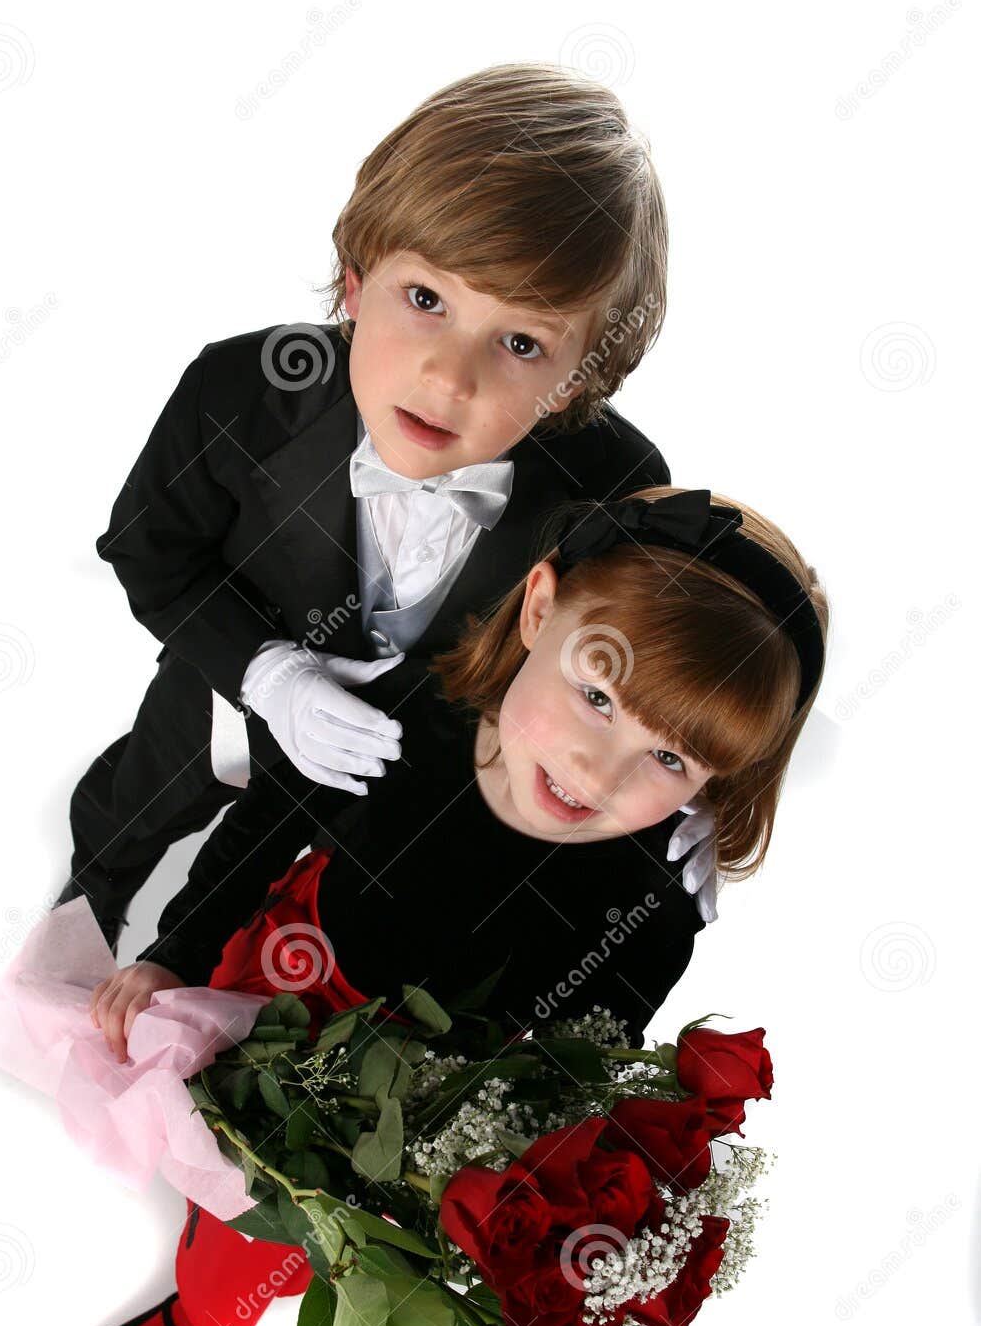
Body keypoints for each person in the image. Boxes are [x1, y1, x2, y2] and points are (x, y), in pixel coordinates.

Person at [69, 485, 829, 1326]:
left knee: (258, 1238)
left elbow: (572, 1068)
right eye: (596, 696)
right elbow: (272, 820)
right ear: (540, 608)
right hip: (279, 967)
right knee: (190, 1105)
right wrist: (179, 951)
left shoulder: (651, 909)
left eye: (669, 758)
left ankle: (202, 1316)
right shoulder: (413, 706)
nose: (598, 772)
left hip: (386, 1110)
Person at [53, 64, 721, 948]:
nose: (449, 378)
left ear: (575, 379)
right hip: (219, 693)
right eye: (426, 299)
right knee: (132, 808)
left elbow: (687, 635)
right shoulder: (240, 389)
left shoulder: (616, 480)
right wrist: (269, 677)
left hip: (406, 761)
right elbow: (148, 550)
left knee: (311, 913)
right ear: (355, 283)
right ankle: (84, 905)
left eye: (522, 343)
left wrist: (713, 775)